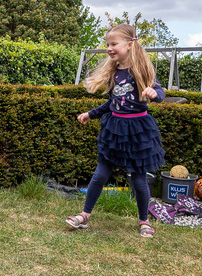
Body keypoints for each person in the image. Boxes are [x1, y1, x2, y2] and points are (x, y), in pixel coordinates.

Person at [66, 24, 167, 238]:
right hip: (114, 129)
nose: (109, 48)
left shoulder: (141, 70)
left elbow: (160, 92)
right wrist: (90, 114)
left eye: (114, 44)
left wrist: (153, 93)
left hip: (138, 130)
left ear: (129, 44)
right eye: (107, 44)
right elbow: (111, 103)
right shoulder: (114, 72)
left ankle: (144, 220)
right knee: (100, 174)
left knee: (138, 179)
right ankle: (85, 215)